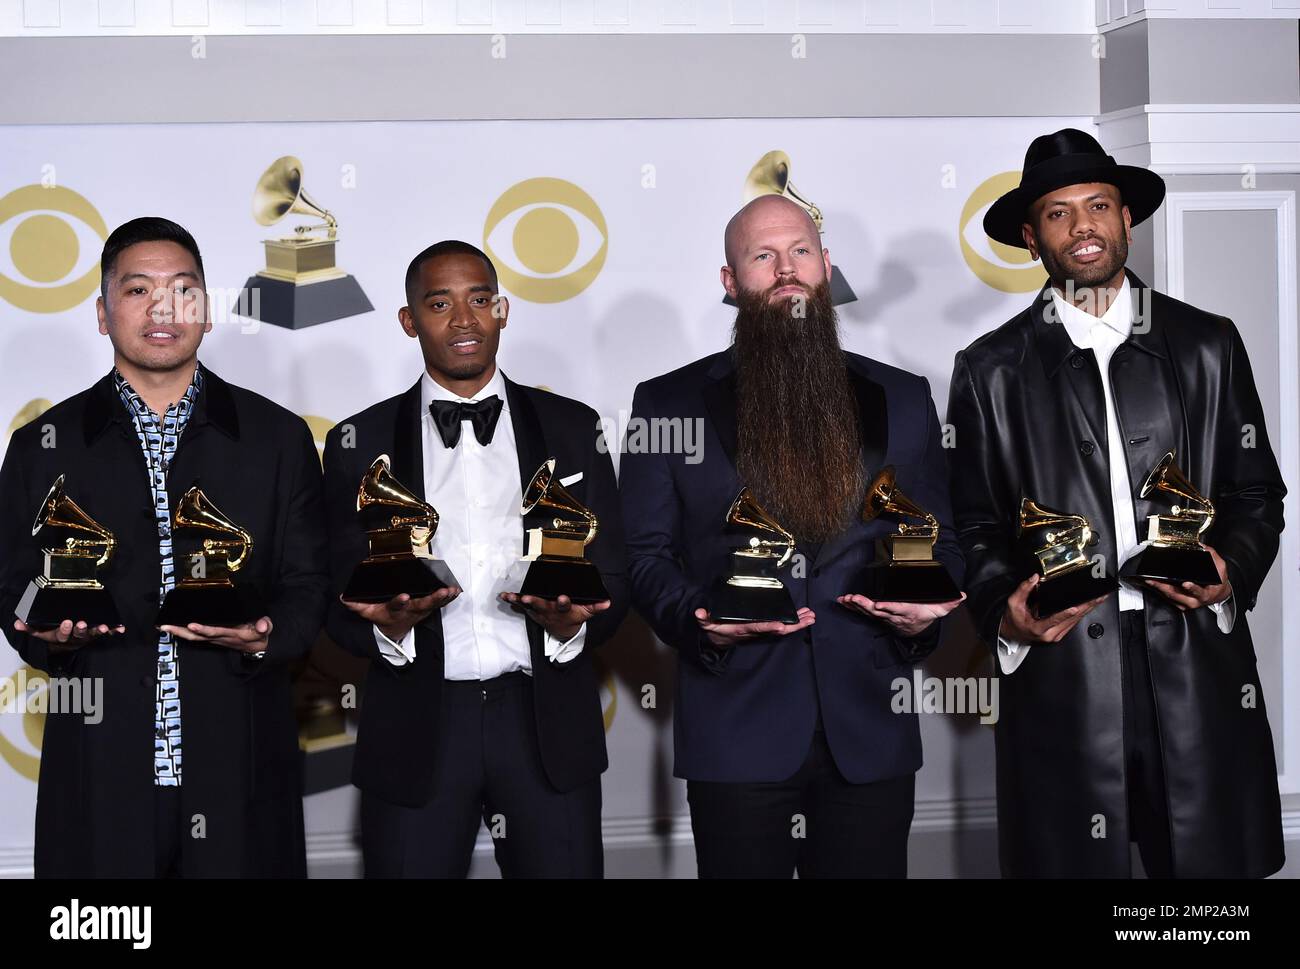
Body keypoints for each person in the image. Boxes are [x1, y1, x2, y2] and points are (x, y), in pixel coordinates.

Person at [947, 128, 1285, 877]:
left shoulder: (1208, 344)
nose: (1085, 227)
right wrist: (1007, 610)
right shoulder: (988, 372)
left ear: (1127, 219)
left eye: (1099, 205)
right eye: (1060, 214)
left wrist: (1230, 566)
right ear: (1031, 239)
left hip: (1196, 665)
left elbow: (1257, 490)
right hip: (1063, 673)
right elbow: (969, 524)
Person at [619, 194, 964, 878]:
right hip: (735, 730)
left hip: (869, 728)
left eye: (800, 252)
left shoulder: (902, 395)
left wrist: (928, 616)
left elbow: (941, 537)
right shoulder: (667, 403)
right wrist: (701, 623)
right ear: (730, 282)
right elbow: (644, 554)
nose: (785, 271)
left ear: (827, 268)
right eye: (762, 256)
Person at [0, 216, 328, 877]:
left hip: (241, 771)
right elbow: (13, 584)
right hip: (101, 777)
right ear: (102, 312)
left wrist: (265, 634)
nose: (162, 309)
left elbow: (309, 585)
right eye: (138, 289)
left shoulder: (277, 438)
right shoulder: (44, 444)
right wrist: (50, 637)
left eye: (183, 290)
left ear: (205, 312)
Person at [323, 240, 628, 878]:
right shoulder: (358, 441)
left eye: (480, 299)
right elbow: (331, 595)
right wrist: (390, 629)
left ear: (503, 310)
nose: (464, 319)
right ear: (409, 321)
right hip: (417, 726)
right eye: (440, 304)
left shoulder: (574, 426)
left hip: (546, 724)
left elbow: (618, 577)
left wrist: (574, 627)